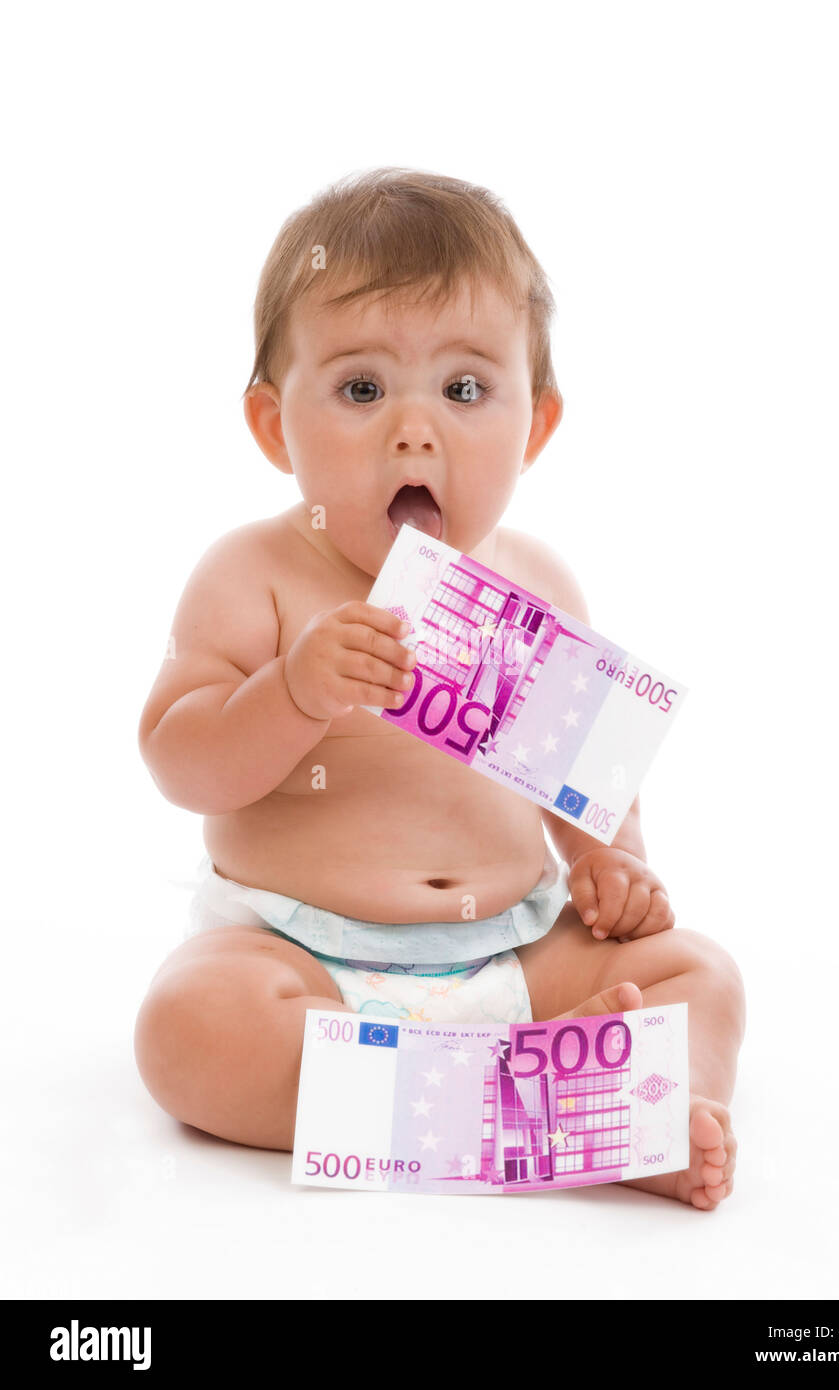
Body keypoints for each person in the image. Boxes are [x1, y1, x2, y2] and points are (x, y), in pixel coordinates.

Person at [134, 168, 745, 1209]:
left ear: (534, 426)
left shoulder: (537, 583)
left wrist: (613, 867)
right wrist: (292, 692)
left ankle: (641, 1112)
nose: (414, 432)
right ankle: (551, 1110)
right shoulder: (254, 577)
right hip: (308, 963)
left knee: (704, 974)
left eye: (463, 391)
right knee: (189, 1028)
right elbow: (179, 758)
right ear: (276, 426)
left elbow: (589, 783)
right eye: (362, 390)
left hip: (512, 950)